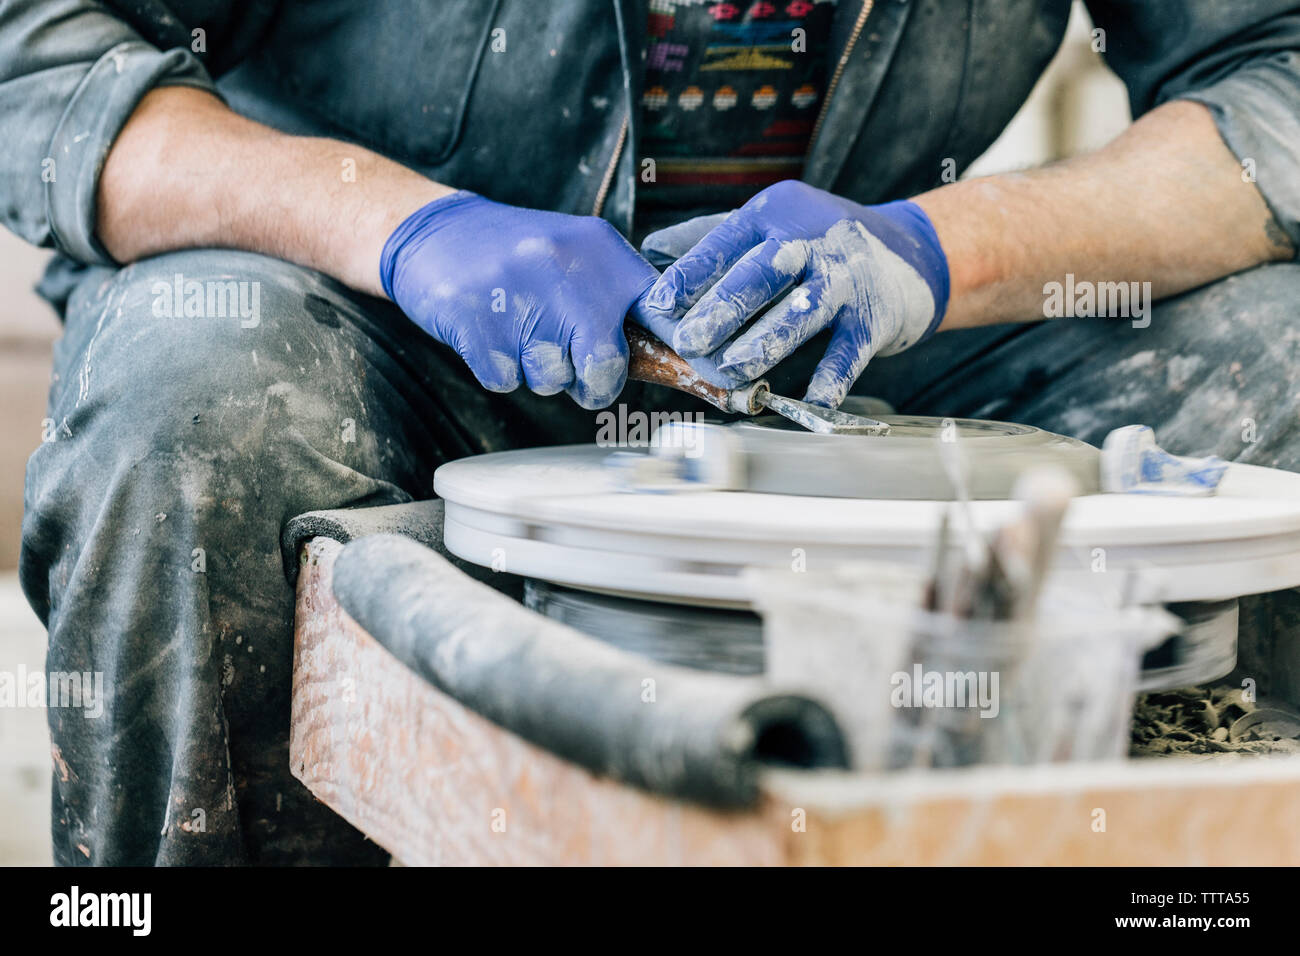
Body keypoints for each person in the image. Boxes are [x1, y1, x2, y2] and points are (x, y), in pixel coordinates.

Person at [2, 0, 1296, 864]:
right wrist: (405, 229)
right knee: (198, 396)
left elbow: (1276, 59)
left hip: (845, 342)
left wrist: (938, 250)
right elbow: (34, 49)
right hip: (355, 299)